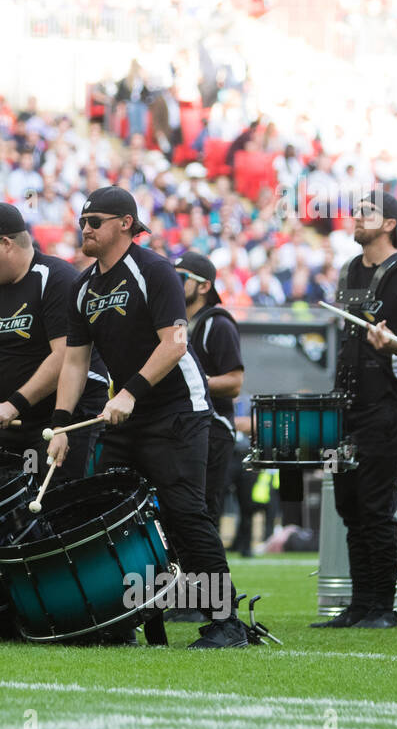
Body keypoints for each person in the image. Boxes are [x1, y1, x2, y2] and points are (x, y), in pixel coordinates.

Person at [46, 186, 250, 648]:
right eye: (82, 222)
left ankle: (227, 623)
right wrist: (60, 424)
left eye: (94, 221)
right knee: (108, 510)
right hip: (128, 412)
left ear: (125, 224)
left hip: (178, 408)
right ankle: (119, 618)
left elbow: (175, 342)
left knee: (184, 512)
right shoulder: (83, 286)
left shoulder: (154, 270)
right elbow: (75, 362)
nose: (85, 229)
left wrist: (130, 393)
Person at [314, 190, 397, 629]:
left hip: (387, 405)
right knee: (349, 505)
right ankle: (359, 605)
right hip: (346, 406)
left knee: (375, 504)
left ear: (389, 223)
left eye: (366, 212)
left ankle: (383, 608)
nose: (356, 217)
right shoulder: (351, 269)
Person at [0, 201, 108, 480]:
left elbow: (63, 356)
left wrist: (13, 405)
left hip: (69, 415)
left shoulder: (57, 279)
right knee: (0, 493)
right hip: (20, 416)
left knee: (54, 503)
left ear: (6, 243)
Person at [175, 251, 245, 539]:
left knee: (203, 511)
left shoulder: (219, 325)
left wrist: (195, 382)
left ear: (204, 286)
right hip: (184, 429)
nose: (174, 283)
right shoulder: (175, 324)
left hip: (213, 429)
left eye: (182, 278)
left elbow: (235, 382)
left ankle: (209, 583)